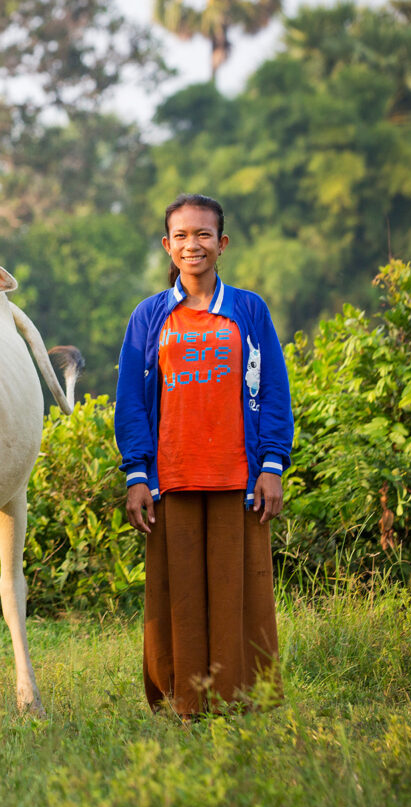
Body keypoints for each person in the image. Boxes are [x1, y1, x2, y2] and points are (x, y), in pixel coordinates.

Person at [115, 194, 293, 720]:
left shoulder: (248, 311)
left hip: (238, 478)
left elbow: (276, 392)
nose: (194, 245)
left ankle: (244, 702)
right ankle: (185, 703)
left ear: (223, 244)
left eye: (204, 235)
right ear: (168, 246)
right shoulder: (150, 317)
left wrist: (271, 465)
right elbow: (130, 401)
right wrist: (137, 474)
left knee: (243, 595)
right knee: (180, 599)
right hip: (172, 478)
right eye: (182, 236)